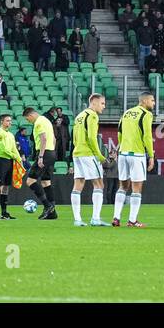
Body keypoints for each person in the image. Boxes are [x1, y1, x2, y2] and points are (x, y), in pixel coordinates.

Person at [114, 92, 156, 228]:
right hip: (136, 154)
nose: (153, 103)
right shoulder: (146, 114)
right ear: (144, 101)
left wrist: (120, 147)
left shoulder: (127, 113)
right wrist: (151, 156)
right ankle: (132, 220)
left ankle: (116, 218)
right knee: (136, 188)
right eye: (152, 100)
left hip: (123, 153)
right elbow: (147, 137)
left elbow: (119, 132)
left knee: (122, 187)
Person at [70, 93, 109, 228]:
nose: (104, 106)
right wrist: (100, 156)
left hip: (77, 153)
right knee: (99, 184)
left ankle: (77, 219)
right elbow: (92, 138)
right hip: (88, 153)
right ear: (94, 103)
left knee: (78, 185)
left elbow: (74, 138)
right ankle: (95, 218)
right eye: (102, 103)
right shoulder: (92, 115)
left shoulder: (79, 116)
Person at [22, 105, 60, 220]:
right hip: (52, 152)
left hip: (44, 153)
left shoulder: (38, 122)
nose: (28, 121)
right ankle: (52, 212)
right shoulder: (46, 121)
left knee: (30, 181)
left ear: (31, 115)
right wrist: (51, 152)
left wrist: (41, 156)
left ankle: (47, 206)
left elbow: (43, 139)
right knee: (46, 182)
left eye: (28, 119)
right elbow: (53, 139)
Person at [0, 113, 20, 220]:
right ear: (1, 122)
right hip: (0, 161)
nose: (9, 122)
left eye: (10, 121)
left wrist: (18, 158)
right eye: (7, 120)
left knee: (6, 186)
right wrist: (14, 156)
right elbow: (3, 149)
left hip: (9, 161)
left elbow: (13, 148)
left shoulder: (11, 134)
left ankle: (4, 212)